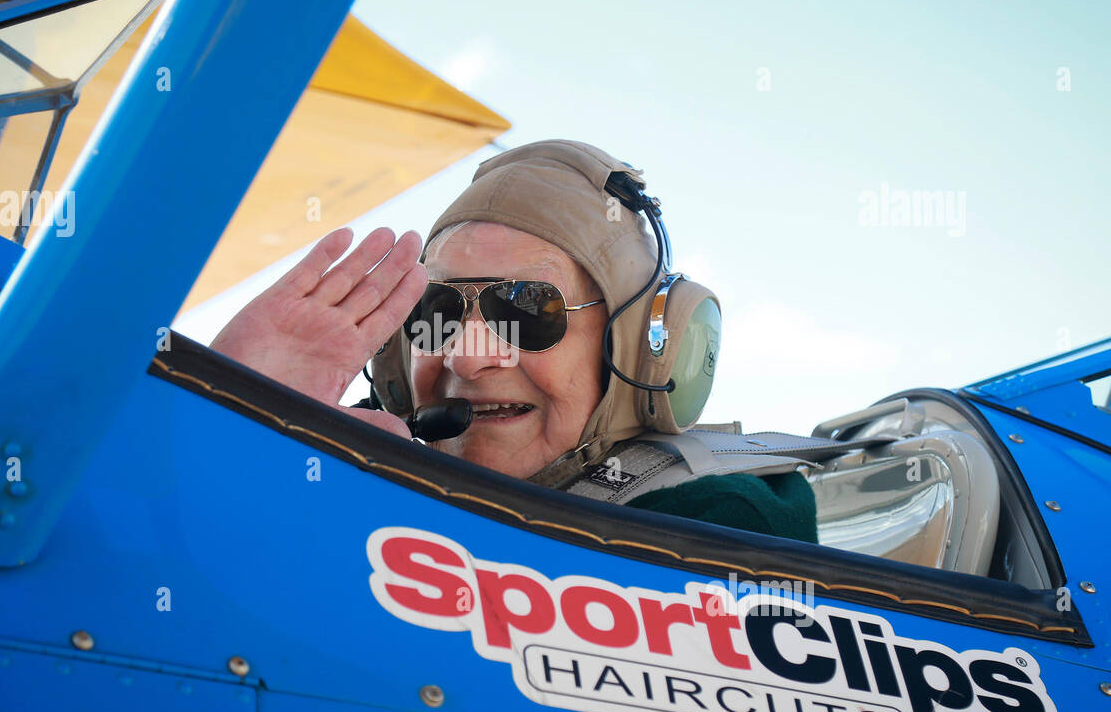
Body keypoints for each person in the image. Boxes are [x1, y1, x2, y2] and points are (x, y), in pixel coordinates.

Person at [212, 140, 818, 542]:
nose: (468, 358)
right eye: (436, 311)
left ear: (643, 351)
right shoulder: (337, 449)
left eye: (529, 309)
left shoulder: (720, 519)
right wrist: (238, 425)